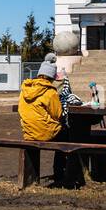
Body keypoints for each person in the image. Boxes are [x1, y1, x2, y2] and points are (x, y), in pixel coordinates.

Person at [17, 56, 71, 184]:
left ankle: (32, 177)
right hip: (44, 133)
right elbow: (58, 114)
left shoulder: (25, 89)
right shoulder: (50, 92)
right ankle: (60, 173)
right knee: (66, 136)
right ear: (52, 77)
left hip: (28, 133)